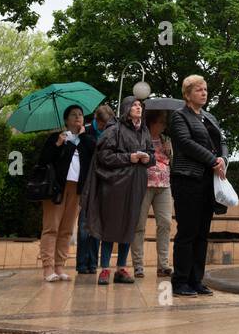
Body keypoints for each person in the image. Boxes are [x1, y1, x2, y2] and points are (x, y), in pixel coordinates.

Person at [79, 96, 154, 285]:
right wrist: (129, 157)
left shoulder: (145, 131)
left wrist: (148, 159)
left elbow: (152, 155)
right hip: (115, 184)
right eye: (134, 105)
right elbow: (104, 156)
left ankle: (121, 268)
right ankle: (104, 269)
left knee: (129, 225)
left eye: (140, 105)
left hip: (136, 183)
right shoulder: (115, 129)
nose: (138, 108)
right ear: (127, 108)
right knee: (111, 226)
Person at [169, 74, 227, 297]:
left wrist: (223, 159)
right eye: (198, 90)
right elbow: (185, 143)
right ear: (187, 94)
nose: (204, 93)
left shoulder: (209, 117)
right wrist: (212, 160)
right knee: (187, 232)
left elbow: (222, 142)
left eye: (205, 89)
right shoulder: (179, 116)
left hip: (208, 181)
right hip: (187, 179)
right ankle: (180, 280)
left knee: (202, 233)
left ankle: (196, 280)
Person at [36, 104, 87, 282]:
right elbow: (43, 160)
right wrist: (58, 145)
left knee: (66, 230)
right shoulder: (56, 138)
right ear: (66, 120)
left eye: (80, 115)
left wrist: (81, 139)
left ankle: (60, 266)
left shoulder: (85, 140)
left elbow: (92, 155)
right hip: (57, 188)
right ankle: (47, 268)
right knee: (51, 228)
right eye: (73, 115)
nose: (78, 117)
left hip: (76, 189)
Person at [131, 104, 174, 278]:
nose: (164, 125)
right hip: (144, 184)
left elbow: (170, 161)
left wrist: (170, 152)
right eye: (161, 122)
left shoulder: (166, 139)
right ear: (152, 122)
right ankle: (138, 265)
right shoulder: (141, 137)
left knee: (165, 223)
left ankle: (163, 265)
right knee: (139, 225)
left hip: (164, 185)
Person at [75, 104, 115, 274]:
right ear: (96, 121)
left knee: (97, 226)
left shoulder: (111, 133)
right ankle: (82, 263)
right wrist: (84, 137)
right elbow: (94, 151)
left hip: (103, 183)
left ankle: (93, 263)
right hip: (87, 183)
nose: (105, 127)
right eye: (102, 124)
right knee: (84, 226)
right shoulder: (85, 132)